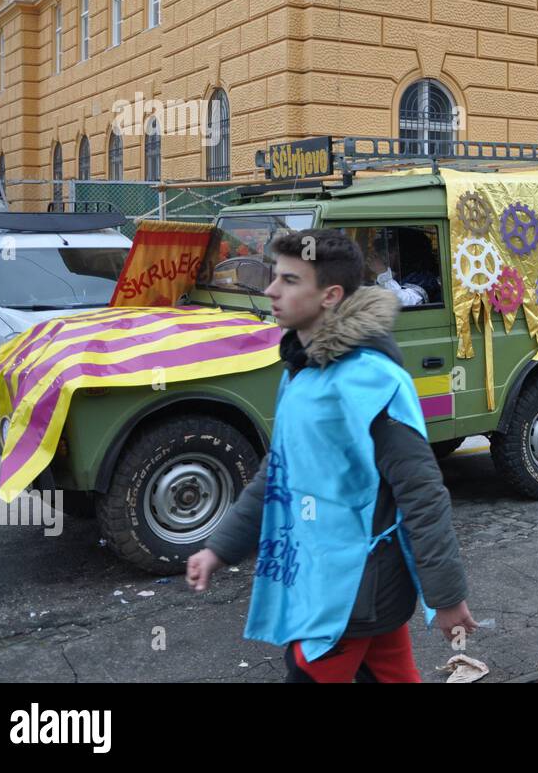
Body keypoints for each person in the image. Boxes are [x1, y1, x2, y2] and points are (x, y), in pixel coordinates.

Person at [186, 229, 476, 682]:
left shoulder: (373, 382)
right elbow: (278, 475)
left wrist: (446, 597)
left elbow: (422, 494)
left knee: (307, 671)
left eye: (288, 280)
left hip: (353, 589)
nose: (270, 290)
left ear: (330, 295)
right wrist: (219, 549)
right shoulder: (302, 372)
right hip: (324, 577)